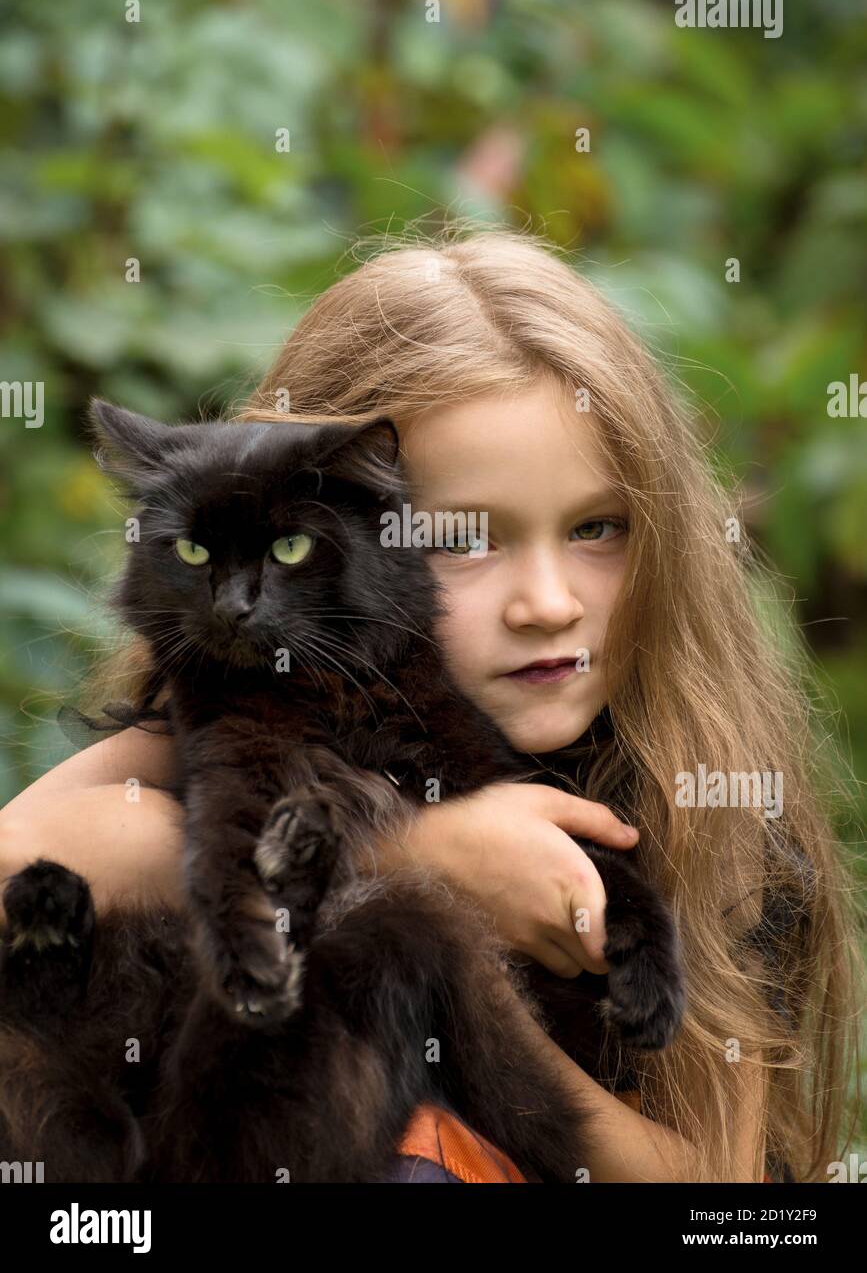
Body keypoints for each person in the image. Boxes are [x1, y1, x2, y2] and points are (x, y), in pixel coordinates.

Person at [1, 225, 862, 1182]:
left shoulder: (706, 804)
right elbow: (20, 852)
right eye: (464, 538)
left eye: (596, 528)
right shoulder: (250, 707)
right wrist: (419, 856)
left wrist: (468, 992)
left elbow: (721, 1195)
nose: (547, 603)